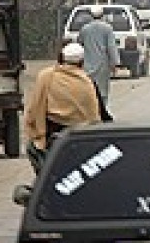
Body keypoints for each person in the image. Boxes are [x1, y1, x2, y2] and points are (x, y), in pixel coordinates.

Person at [23, 43, 104, 171]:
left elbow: (35, 108)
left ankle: (43, 180)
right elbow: (99, 114)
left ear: (60, 59)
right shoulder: (88, 82)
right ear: (82, 62)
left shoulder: (46, 76)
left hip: (54, 136)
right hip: (84, 137)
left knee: (33, 149)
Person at [78, 5, 120, 106]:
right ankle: (103, 110)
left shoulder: (85, 29)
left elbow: (80, 44)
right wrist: (114, 63)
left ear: (91, 16)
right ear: (102, 15)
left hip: (88, 65)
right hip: (103, 65)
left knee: (90, 88)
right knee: (103, 90)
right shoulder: (107, 28)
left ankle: (91, 109)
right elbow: (111, 47)